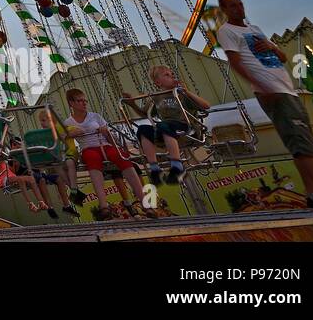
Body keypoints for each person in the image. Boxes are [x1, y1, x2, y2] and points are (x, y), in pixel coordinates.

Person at [215, 0, 313, 208]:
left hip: (286, 89)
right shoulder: (226, 31)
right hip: (272, 91)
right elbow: (235, 62)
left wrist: (273, 48)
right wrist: (262, 86)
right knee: (301, 141)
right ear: (224, 10)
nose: (239, 9)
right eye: (233, 6)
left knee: (300, 142)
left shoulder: (255, 29)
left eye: (240, 4)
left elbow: (283, 58)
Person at [63, 89, 146, 221]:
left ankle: (142, 200)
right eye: (80, 101)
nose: (84, 103)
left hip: (104, 145)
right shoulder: (68, 122)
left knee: (122, 159)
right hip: (88, 147)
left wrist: (110, 137)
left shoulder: (95, 116)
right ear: (71, 103)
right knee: (92, 160)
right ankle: (103, 205)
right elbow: (62, 137)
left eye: (85, 100)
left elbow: (109, 134)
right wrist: (71, 134)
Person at [122, 65, 211, 186]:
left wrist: (186, 91)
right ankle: (154, 169)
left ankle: (177, 166)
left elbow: (205, 106)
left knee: (164, 125)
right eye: (167, 75)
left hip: (186, 127)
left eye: (172, 74)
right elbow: (144, 114)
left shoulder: (180, 94)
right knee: (143, 129)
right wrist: (132, 104)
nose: (172, 76)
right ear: (158, 82)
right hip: (166, 129)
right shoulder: (156, 97)